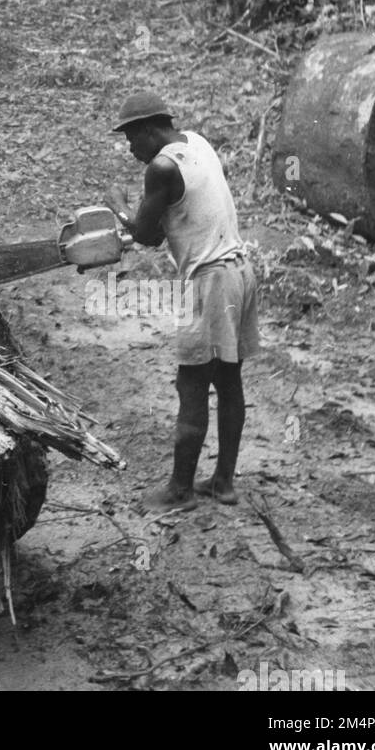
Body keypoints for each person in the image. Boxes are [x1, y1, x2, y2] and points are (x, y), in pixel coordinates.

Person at [105, 90, 258, 512]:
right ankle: (222, 483)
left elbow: (147, 234)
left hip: (211, 282)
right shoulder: (197, 143)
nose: (130, 148)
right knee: (228, 383)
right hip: (241, 270)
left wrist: (119, 207)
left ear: (151, 131)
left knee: (190, 386)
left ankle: (179, 490)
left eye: (132, 139)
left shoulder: (162, 166)